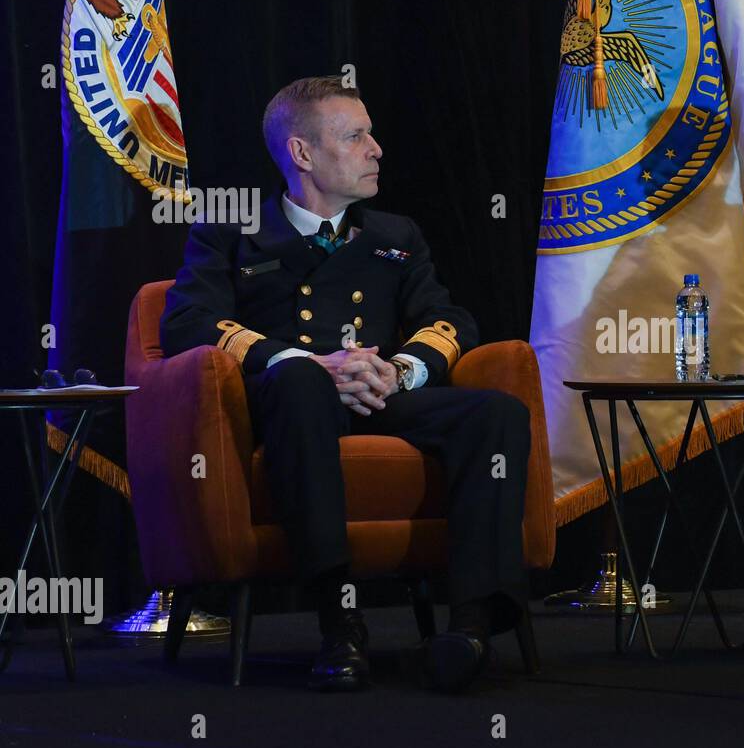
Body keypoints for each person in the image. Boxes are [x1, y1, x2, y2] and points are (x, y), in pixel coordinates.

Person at [160, 75, 531, 692]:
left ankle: (469, 629)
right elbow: (188, 321)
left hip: (378, 396)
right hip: (288, 408)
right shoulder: (232, 226)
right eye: (356, 136)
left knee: (496, 413)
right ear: (303, 154)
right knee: (303, 386)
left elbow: (448, 319)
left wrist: (400, 369)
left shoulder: (395, 236)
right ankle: (339, 622)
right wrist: (298, 363)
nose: (376, 148)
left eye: (370, 133)